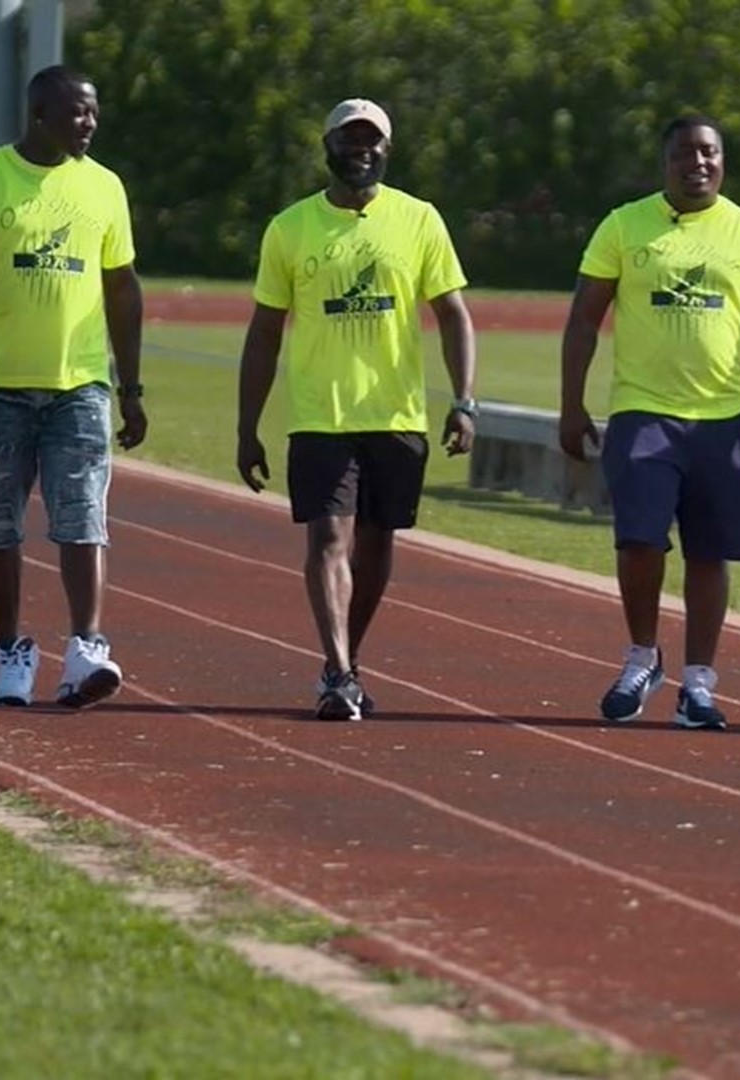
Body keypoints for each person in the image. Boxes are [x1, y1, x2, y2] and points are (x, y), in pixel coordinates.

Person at [559, 114, 740, 731]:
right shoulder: (624, 224)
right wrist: (571, 404)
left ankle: (699, 683)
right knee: (639, 539)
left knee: (709, 550)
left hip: (723, 418)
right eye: (685, 154)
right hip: (644, 412)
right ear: (664, 161)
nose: (698, 163)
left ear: (723, 161)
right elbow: (585, 318)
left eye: (709, 153)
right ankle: (643, 655)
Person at [236, 98, 478, 721]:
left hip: (396, 416)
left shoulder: (419, 221)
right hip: (322, 416)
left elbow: (453, 314)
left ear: (387, 150)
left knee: (377, 546)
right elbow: (264, 331)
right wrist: (248, 426)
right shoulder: (290, 229)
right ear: (329, 146)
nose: (361, 149)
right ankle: (339, 670)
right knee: (328, 539)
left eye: (372, 140)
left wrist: (464, 400)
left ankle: (345, 664)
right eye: (350, 139)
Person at [0, 64, 145, 710]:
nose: (90, 123)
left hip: (80, 385)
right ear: (40, 114)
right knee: (0, 527)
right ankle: (11, 651)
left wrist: (131, 387)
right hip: (1, 388)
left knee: (83, 518)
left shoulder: (104, 187)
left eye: (94, 112)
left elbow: (122, 288)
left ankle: (86, 649)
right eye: (78, 112)